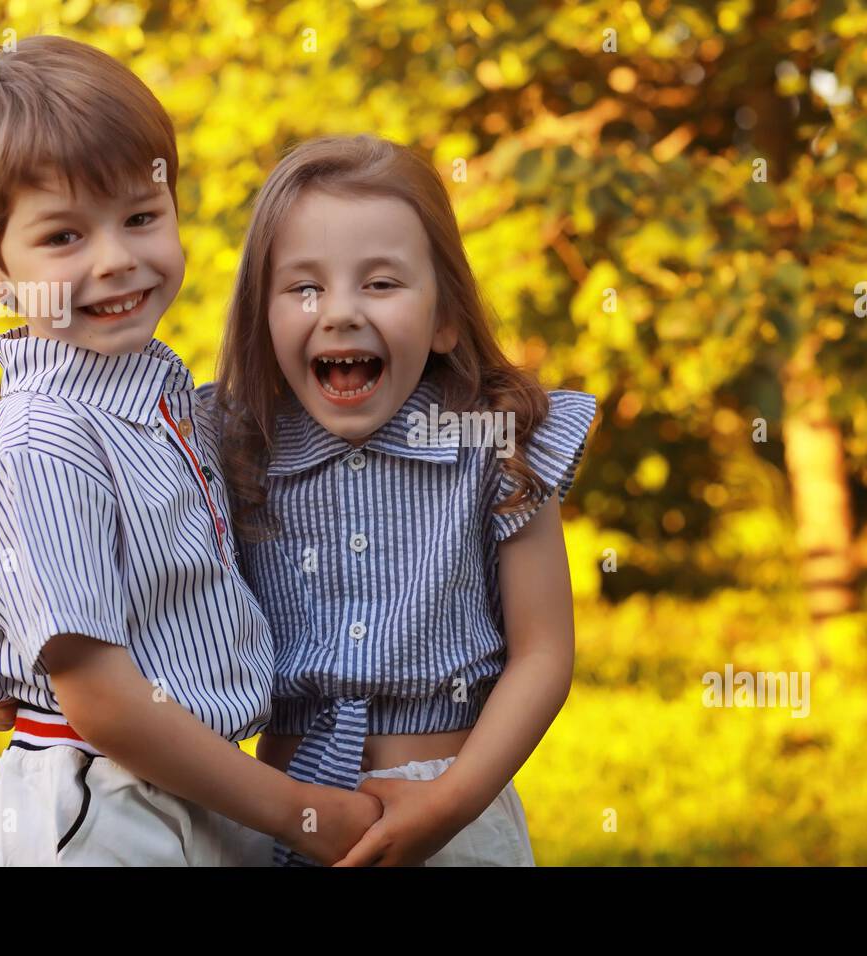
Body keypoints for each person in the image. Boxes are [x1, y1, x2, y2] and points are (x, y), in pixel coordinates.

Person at [0, 36, 379, 866]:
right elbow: (104, 703)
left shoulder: (159, 396)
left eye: (141, 217)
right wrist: (295, 811)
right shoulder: (49, 435)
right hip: (101, 808)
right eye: (63, 237)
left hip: (194, 787)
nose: (116, 260)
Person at [214, 134, 597, 865]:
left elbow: (543, 656)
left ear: (445, 316)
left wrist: (450, 802)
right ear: (263, 315)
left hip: (450, 811)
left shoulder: (498, 443)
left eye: (381, 284)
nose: (341, 312)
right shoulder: (238, 449)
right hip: (282, 810)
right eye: (304, 287)